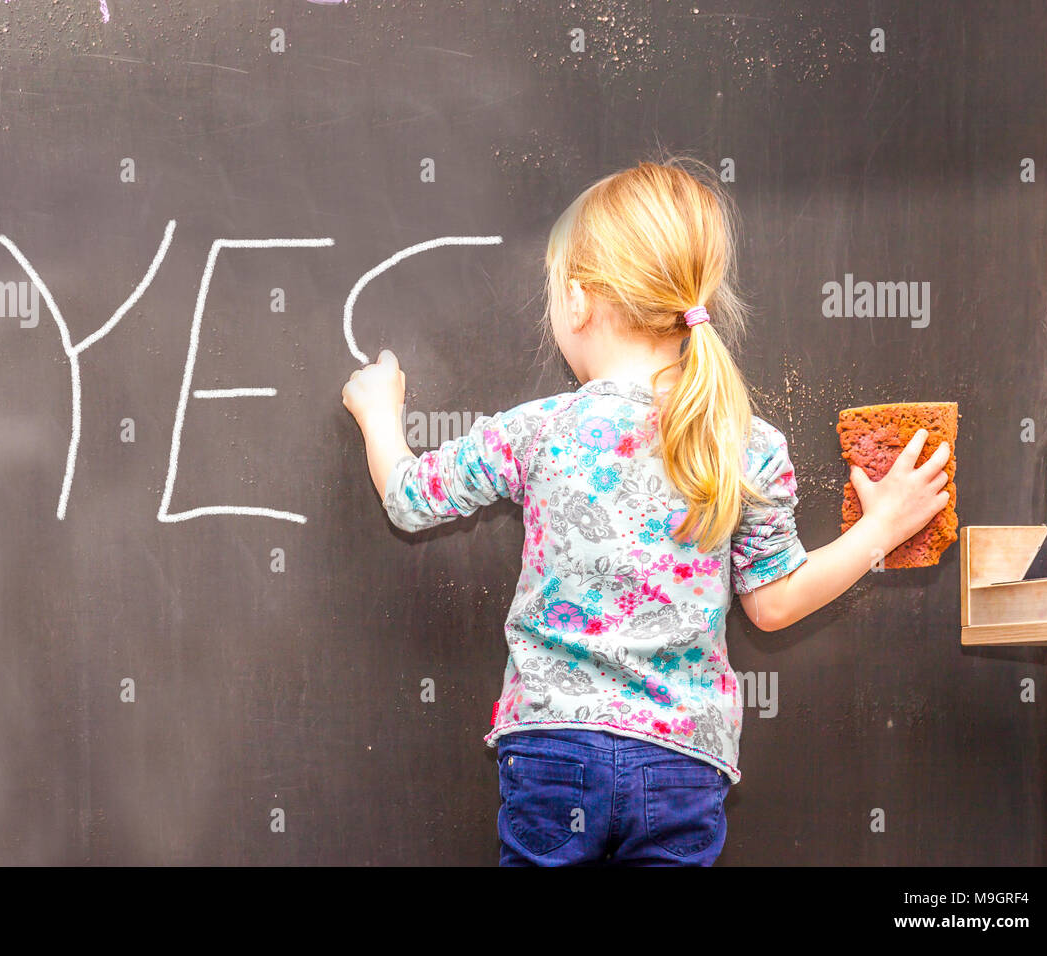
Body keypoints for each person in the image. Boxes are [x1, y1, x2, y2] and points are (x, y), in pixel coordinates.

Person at [341, 156, 950, 866]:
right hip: (682, 763)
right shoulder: (745, 443)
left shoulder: (537, 430)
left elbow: (411, 501)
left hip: (553, 748)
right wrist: (881, 529)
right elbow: (775, 603)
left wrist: (379, 414)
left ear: (576, 302)